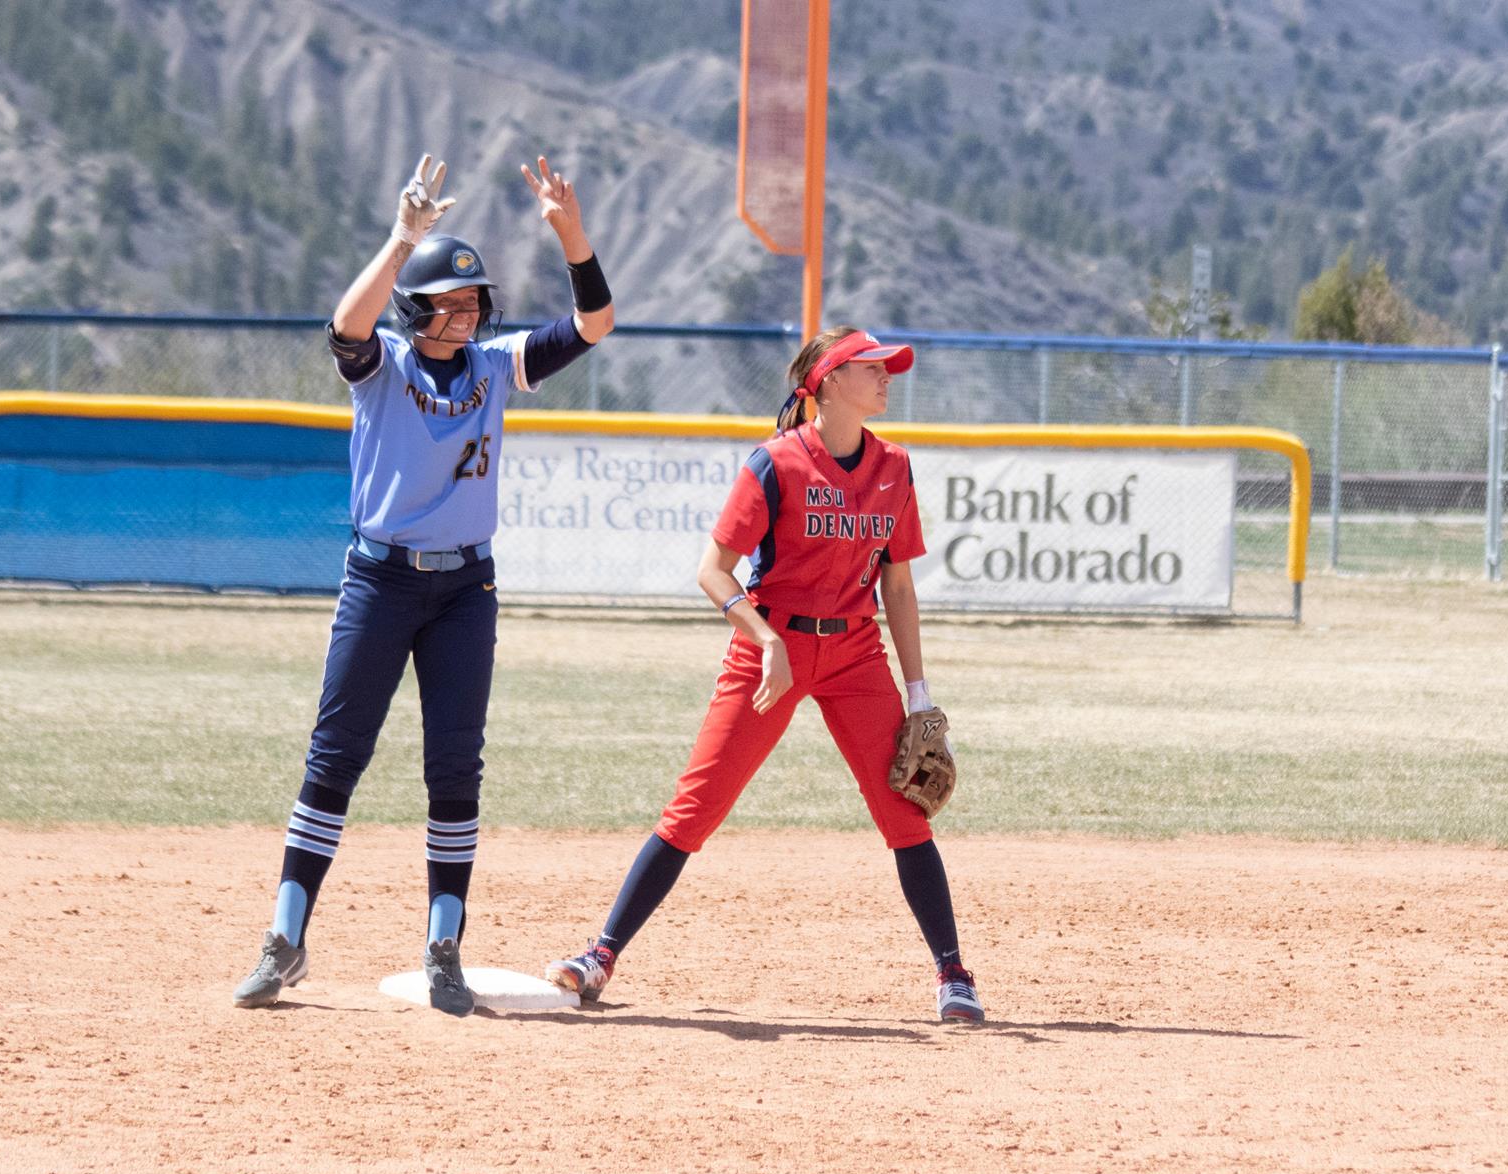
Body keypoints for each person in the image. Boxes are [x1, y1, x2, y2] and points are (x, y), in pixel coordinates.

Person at [234, 153, 615, 1015]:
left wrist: (574, 238)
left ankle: (446, 947)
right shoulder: (388, 363)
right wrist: (402, 241)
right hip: (380, 579)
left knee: (454, 768)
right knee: (335, 759)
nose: (470, 313)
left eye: (476, 302)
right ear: (420, 308)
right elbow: (345, 323)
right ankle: (285, 939)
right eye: (454, 302)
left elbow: (594, 324)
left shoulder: (494, 365)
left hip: (463, 594)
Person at [544, 326, 984, 1022]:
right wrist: (762, 636)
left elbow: (897, 587)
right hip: (769, 651)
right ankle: (599, 955)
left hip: (855, 655)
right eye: (873, 368)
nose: (888, 378)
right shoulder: (776, 464)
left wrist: (920, 690)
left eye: (888, 368)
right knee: (694, 809)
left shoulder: (895, 467)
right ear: (831, 382)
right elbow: (712, 570)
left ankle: (953, 973)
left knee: (905, 812)